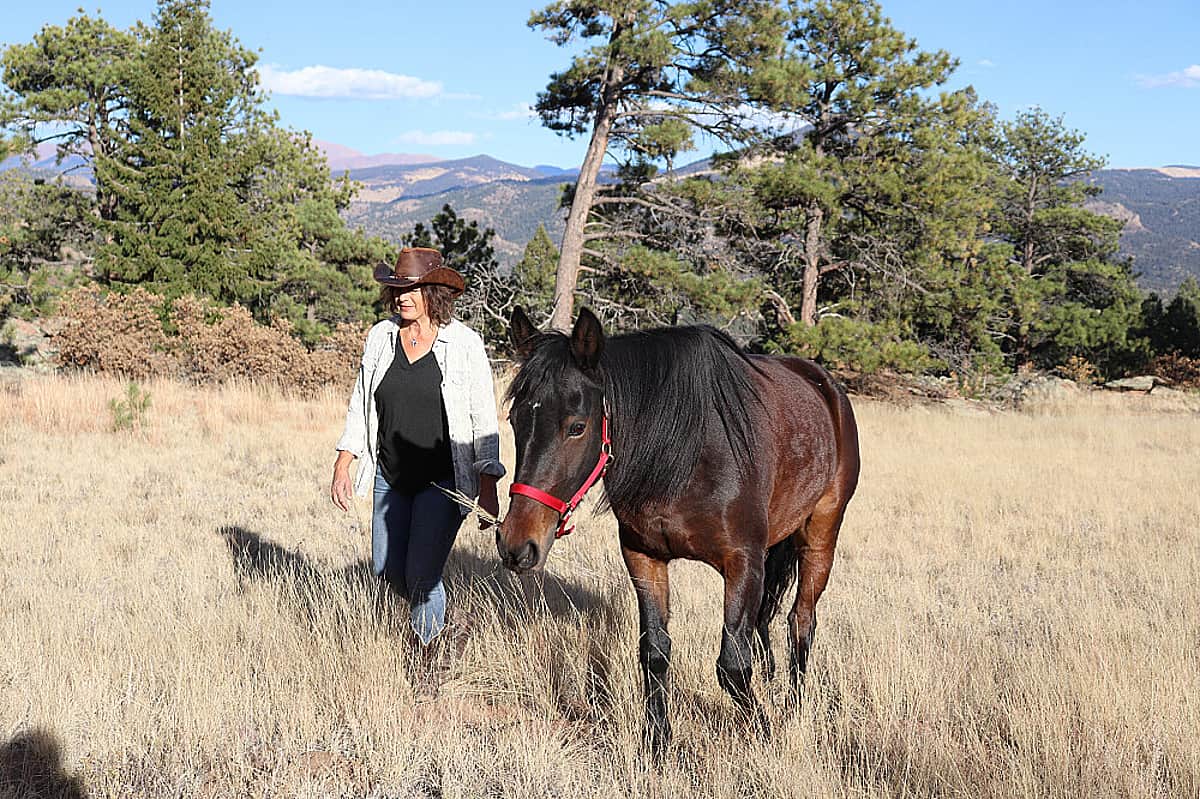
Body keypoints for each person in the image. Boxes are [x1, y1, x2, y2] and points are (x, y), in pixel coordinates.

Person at [330, 246, 503, 654]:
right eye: (397, 290)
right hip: (389, 475)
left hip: (441, 480)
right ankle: (450, 622)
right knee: (388, 570)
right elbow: (361, 403)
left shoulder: (463, 345)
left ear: (435, 292)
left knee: (422, 575)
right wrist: (344, 463)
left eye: (412, 289)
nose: (402, 297)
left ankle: (428, 655)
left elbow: (484, 420)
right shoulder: (381, 337)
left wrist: (489, 485)